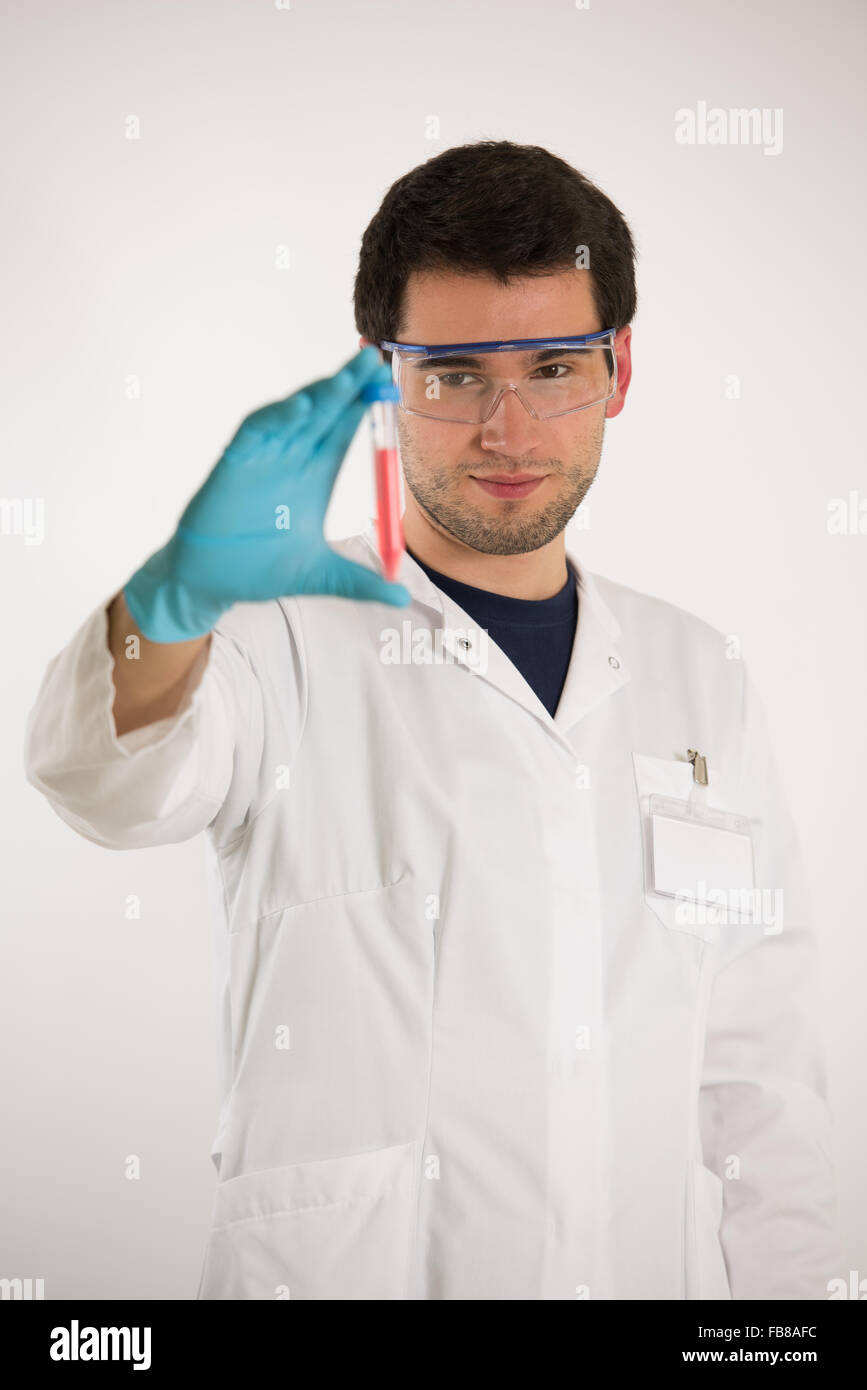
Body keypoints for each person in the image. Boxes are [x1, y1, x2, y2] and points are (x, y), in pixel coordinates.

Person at [24, 139, 844, 1301]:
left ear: (620, 369)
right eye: (456, 375)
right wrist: (169, 600)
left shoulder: (701, 674)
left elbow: (769, 1090)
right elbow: (101, 779)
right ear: (383, 376)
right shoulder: (270, 635)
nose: (509, 432)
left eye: (555, 365)